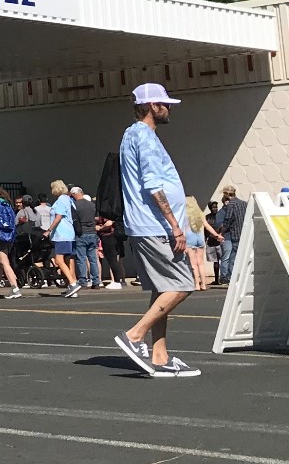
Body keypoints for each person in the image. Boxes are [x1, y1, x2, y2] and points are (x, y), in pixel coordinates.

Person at [113, 83, 199, 376]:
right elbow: (153, 185)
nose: (168, 108)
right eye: (164, 103)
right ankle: (135, 335)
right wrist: (175, 225)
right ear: (151, 106)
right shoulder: (145, 138)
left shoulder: (131, 134)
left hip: (145, 224)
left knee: (163, 287)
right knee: (183, 284)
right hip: (156, 225)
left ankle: (159, 355)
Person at [46, 180, 80, 296]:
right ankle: (72, 284)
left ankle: (73, 283)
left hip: (62, 233)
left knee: (59, 259)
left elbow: (58, 216)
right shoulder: (69, 200)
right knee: (69, 259)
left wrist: (49, 230)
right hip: (70, 233)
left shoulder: (60, 200)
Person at [184, 194, 222, 291]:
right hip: (199, 237)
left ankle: (197, 284)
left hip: (190, 237)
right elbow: (207, 226)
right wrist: (217, 235)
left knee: (193, 264)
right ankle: (204, 284)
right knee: (201, 263)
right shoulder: (200, 213)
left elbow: (182, 228)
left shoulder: (184, 213)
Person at [212, 185, 246, 286]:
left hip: (235, 234)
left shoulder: (231, 204)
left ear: (226, 194)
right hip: (243, 233)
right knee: (240, 257)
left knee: (232, 258)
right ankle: (239, 277)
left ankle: (231, 277)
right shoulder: (243, 203)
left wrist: (221, 233)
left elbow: (228, 220)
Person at [69, 187, 101, 290]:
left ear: (74, 194)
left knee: (81, 258)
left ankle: (83, 280)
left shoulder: (75, 205)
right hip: (92, 232)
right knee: (93, 259)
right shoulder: (91, 205)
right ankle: (96, 281)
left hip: (81, 233)